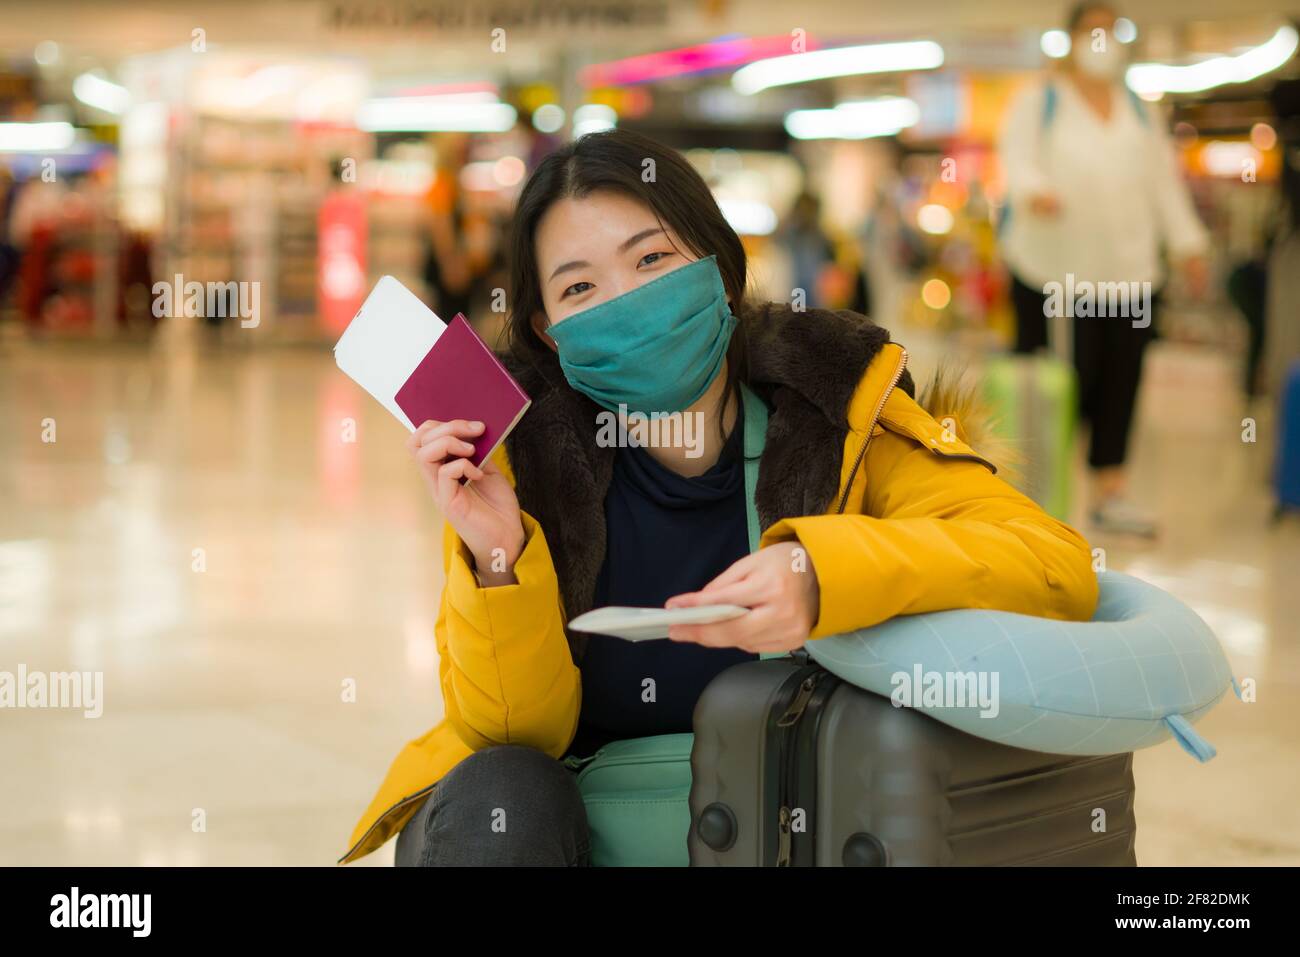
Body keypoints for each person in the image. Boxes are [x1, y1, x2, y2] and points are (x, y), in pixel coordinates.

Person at [340, 128, 1100, 866]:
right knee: (501, 786)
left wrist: (821, 573)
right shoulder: (520, 461)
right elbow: (514, 732)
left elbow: (1053, 564)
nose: (626, 301)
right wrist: (500, 555)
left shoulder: (840, 420)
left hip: (797, 821)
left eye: (652, 259)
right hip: (575, 828)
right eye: (580, 286)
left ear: (718, 266)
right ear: (548, 331)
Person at [998, 1, 1210, 537]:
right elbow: (1015, 159)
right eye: (1093, 31)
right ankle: (1042, 496)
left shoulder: (1140, 109)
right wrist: (1034, 192)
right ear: (1069, 39)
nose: (1103, 42)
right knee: (1060, 386)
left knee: (1122, 382)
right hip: (1056, 276)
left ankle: (1110, 492)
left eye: (1112, 32)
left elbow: (1163, 184)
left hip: (1130, 274)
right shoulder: (1040, 101)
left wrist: (1188, 244)